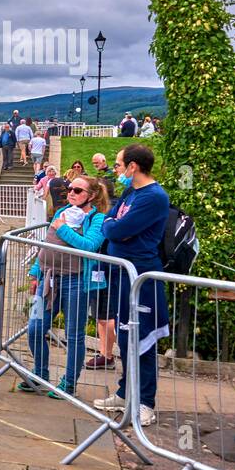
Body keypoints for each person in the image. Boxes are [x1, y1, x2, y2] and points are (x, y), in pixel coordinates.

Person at [93, 144, 169, 427]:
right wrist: (112, 226)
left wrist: (113, 227)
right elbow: (110, 221)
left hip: (141, 276)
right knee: (126, 336)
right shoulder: (131, 192)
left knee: (142, 338)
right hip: (123, 275)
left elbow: (117, 228)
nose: (117, 169)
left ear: (133, 166)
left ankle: (145, 402)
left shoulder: (154, 197)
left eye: (119, 164)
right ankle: (126, 393)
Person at [21, 175, 108, 398]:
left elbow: (89, 246)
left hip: (77, 281)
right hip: (50, 279)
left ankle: (69, 383)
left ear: (92, 195)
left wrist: (63, 230)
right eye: (70, 188)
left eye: (78, 190)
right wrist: (35, 273)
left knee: (74, 334)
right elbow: (48, 245)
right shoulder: (62, 213)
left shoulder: (98, 219)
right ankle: (40, 374)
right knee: (35, 328)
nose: (71, 192)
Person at [83, 178, 118, 371]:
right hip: (98, 269)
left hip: (105, 268)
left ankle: (107, 354)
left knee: (106, 315)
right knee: (100, 315)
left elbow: (91, 243)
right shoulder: (98, 214)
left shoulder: (104, 215)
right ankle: (104, 352)